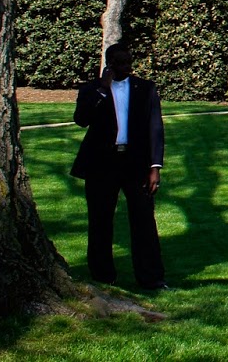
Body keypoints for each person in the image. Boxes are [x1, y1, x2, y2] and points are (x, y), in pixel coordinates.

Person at [72, 42, 168, 290]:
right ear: (109, 63)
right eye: (120, 62)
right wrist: (103, 90)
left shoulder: (145, 89)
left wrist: (155, 166)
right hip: (102, 163)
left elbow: (155, 127)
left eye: (128, 61)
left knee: (144, 220)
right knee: (100, 220)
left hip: (135, 163)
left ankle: (151, 278)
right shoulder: (92, 89)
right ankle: (103, 276)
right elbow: (81, 120)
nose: (126, 67)